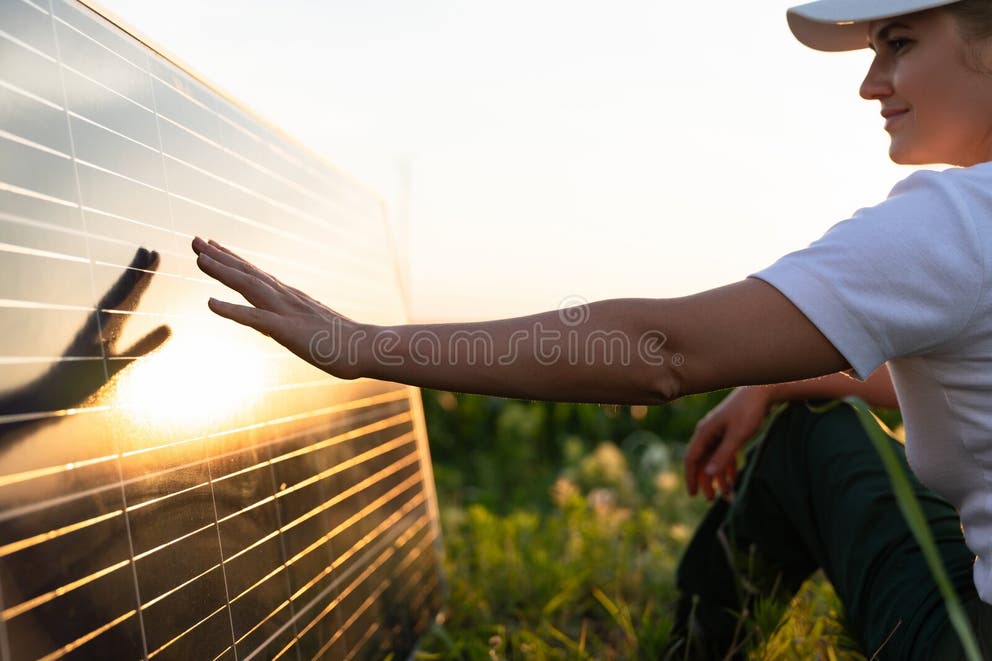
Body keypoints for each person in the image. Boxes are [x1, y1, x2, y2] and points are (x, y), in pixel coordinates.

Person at [190, 0, 992, 657]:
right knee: (813, 413)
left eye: (898, 43)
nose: (871, 82)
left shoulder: (952, 220)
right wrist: (771, 378)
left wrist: (359, 343)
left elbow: (660, 352)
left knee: (811, 435)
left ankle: (695, 648)